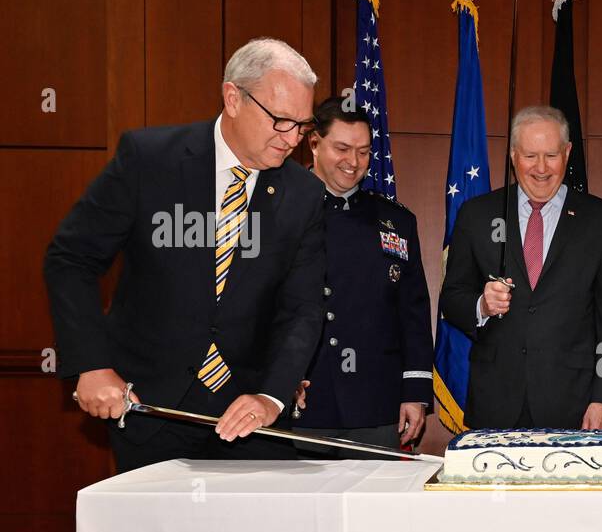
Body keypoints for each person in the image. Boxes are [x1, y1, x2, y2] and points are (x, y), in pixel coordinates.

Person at [44, 37, 325, 472]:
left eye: (302, 126)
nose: (292, 139)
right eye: (280, 120)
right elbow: (72, 258)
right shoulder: (149, 159)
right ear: (233, 98)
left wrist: (272, 395)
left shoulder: (303, 193)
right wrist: (91, 364)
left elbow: (303, 307)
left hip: (249, 413)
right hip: (149, 405)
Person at [440, 105, 602, 430]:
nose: (541, 168)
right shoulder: (477, 215)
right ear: (513, 156)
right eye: (530, 156)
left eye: (551, 155)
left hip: (574, 405)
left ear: (567, 153)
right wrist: (482, 305)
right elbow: (452, 298)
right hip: (494, 404)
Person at [291, 97, 433, 458]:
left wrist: (415, 392)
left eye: (364, 152)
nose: (353, 163)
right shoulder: (281, 210)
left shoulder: (397, 221)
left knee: (374, 511)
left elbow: (412, 312)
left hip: (375, 403)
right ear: (314, 143)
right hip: (302, 398)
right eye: (341, 148)